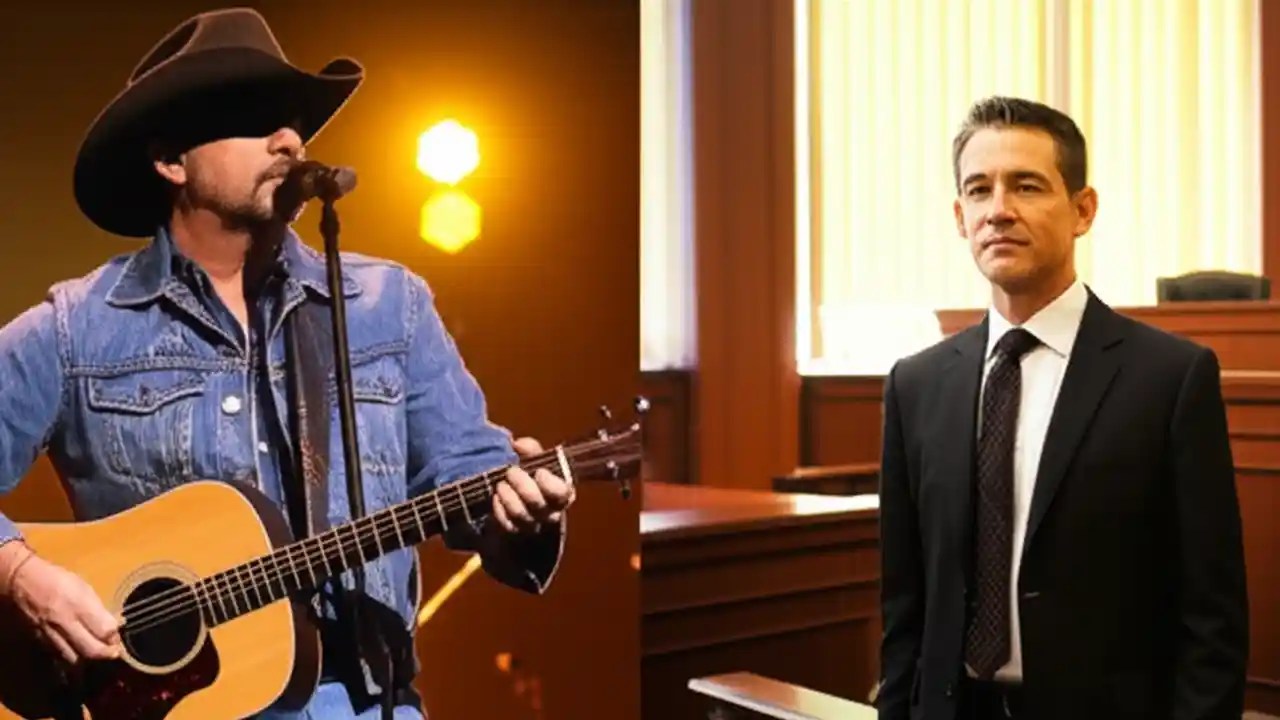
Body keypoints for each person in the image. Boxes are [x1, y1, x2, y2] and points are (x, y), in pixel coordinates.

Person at [0, 8, 574, 719]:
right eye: (255, 117)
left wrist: (523, 515)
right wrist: (21, 576)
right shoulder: (73, 329)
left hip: (363, 702)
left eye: (295, 121)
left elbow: (470, 483)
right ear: (172, 160)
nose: (289, 139)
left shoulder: (387, 304)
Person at [876, 96, 1249, 720]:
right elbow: (905, 605)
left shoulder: (1170, 378)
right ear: (959, 217)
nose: (999, 210)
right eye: (979, 189)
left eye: (1026, 186)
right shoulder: (915, 385)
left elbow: (1212, 613)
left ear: (1083, 210)